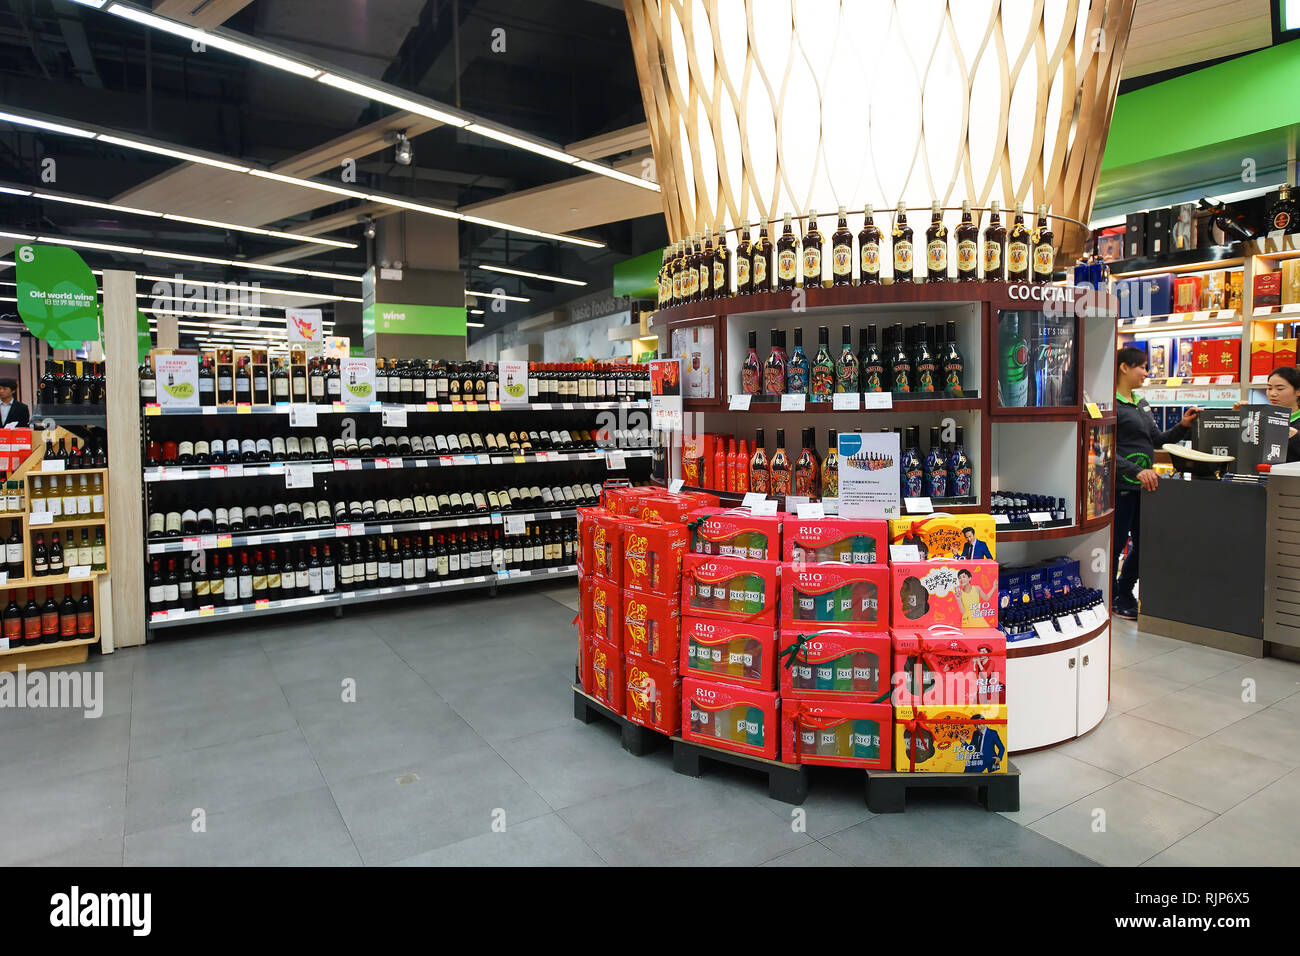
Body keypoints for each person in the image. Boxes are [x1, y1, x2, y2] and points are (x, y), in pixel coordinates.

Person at [1114, 346, 1201, 619]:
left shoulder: (1140, 402)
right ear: (1124, 367)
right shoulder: (1109, 403)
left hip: (1145, 488)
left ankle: (1125, 590)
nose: (1146, 372)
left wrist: (1183, 426)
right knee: (1114, 545)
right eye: (1141, 366)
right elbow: (1101, 449)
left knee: (1145, 544)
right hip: (1120, 487)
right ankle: (1110, 595)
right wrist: (1134, 470)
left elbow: (1156, 440)